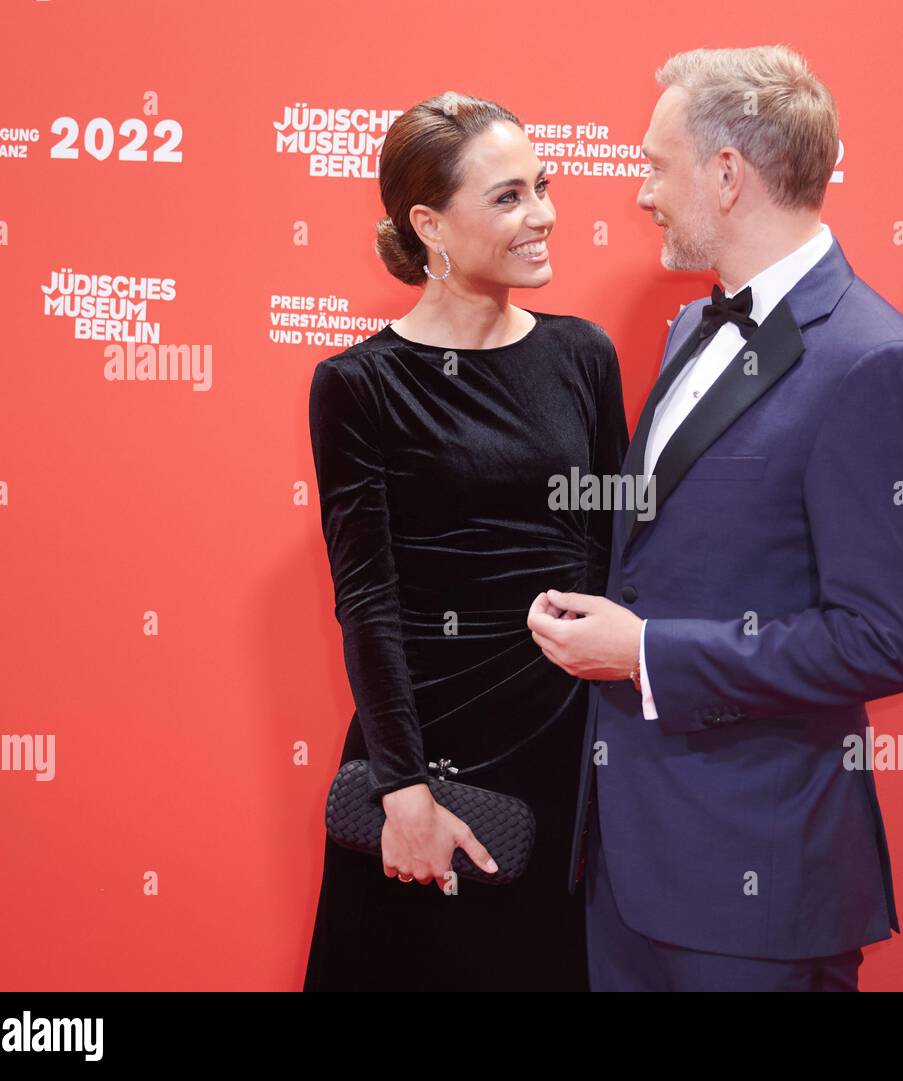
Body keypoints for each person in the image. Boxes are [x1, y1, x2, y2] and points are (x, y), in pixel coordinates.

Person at [528, 45, 903, 991]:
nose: (640, 192)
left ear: (727, 174)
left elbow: (884, 640)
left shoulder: (874, 362)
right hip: (626, 865)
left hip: (756, 892)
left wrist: (647, 652)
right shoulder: (691, 325)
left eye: (654, 165)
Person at [303, 91, 628, 991]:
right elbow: (366, 598)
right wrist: (401, 790)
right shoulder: (358, 386)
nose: (545, 214)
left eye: (544, 186)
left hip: (561, 751)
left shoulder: (583, 355)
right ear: (428, 224)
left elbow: (613, 551)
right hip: (429, 753)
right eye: (509, 196)